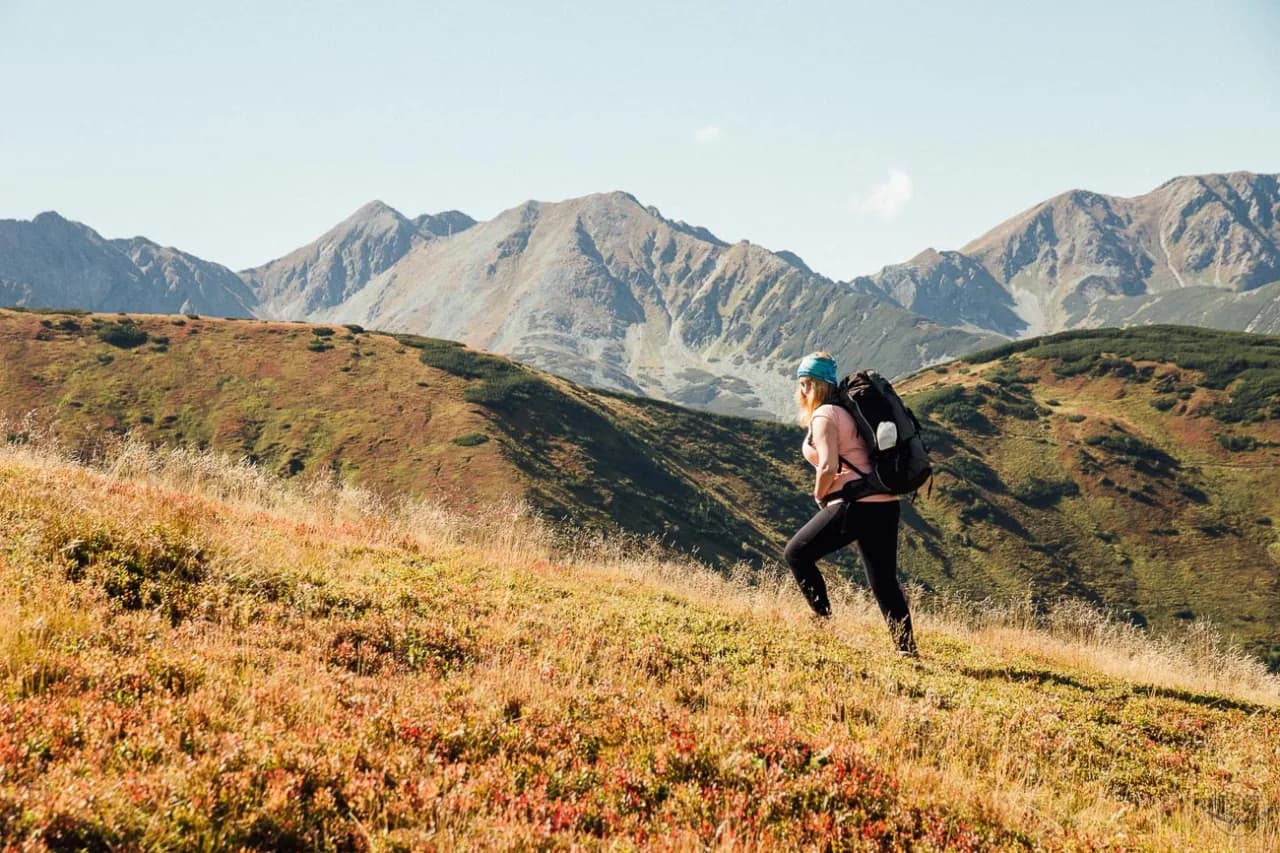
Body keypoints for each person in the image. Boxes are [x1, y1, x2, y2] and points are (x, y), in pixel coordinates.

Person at [783, 351, 918, 656]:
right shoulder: (847, 410)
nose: (800, 392)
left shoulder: (824, 416)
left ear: (810, 386)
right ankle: (906, 650)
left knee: (797, 554)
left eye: (803, 384)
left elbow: (828, 466)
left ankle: (824, 624)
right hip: (885, 503)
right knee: (884, 581)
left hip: (854, 504)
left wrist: (820, 494)